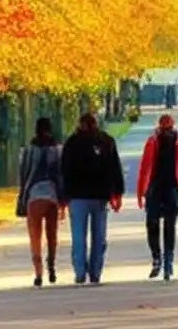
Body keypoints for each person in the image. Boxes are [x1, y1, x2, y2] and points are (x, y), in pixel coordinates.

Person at [61, 113, 125, 285]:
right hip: (100, 196)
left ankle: (80, 271)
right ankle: (95, 272)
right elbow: (115, 169)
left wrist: (64, 198)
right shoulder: (106, 141)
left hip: (77, 197)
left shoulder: (72, 143)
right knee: (99, 237)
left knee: (79, 236)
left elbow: (65, 172)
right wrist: (117, 193)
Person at [136, 114, 178, 282]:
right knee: (170, 227)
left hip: (156, 190)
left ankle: (159, 259)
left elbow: (144, 169)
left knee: (153, 225)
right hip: (171, 191)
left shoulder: (156, 141)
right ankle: (167, 261)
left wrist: (141, 192)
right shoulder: (177, 142)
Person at [17, 117, 65, 288]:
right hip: (51, 196)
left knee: (35, 237)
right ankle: (51, 264)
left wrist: (22, 199)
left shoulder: (28, 151)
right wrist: (62, 200)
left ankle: (38, 272)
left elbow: (23, 176)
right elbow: (61, 175)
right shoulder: (58, 150)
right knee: (52, 235)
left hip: (34, 197)